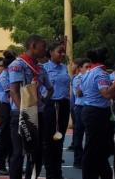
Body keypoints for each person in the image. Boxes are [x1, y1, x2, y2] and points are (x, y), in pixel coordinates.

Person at [8, 35, 50, 179]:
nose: (45, 50)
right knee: (19, 153)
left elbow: (49, 88)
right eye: (43, 46)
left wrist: (42, 101)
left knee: (37, 152)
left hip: (37, 113)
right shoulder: (17, 65)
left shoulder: (40, 67)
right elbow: (13, 91)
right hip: (21, 113)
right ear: (33, 46)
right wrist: (23, 114)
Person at [79, 47, 115, 179]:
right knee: (94, 148)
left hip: (90, 110)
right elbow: (107, 94)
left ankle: (103, 173)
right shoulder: (100, 73)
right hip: (97, 113)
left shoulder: (88, 72)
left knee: (98, 148)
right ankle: (90, 175)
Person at [42, 41, 70, 179]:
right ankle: (50, 173)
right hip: (50, 105)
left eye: (63, 51)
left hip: (64, 104)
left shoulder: (64, 67)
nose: (62, 54)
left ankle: (58, 172)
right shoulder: (44, 68)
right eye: (59, 51)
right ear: (51, 52)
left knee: (60, 139)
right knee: (49, 140)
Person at [0, 51, 15, 175]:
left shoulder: (12, 75)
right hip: (6, 107)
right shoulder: (4, 76)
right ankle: (0, 164)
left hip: (13, 106)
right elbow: (12, 92)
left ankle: (12, 163)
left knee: (13, 137)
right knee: (4, 136)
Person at [69, 58, 90, 169]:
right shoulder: (78, 78)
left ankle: (87, 159)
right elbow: (79, 93)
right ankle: (77, 160)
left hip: (90, 107)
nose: (88, 69)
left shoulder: (91, 77)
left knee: (89, 136)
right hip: (80, 108)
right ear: (80, 68)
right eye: (86, 67)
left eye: (89, 67)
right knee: (78, 135)